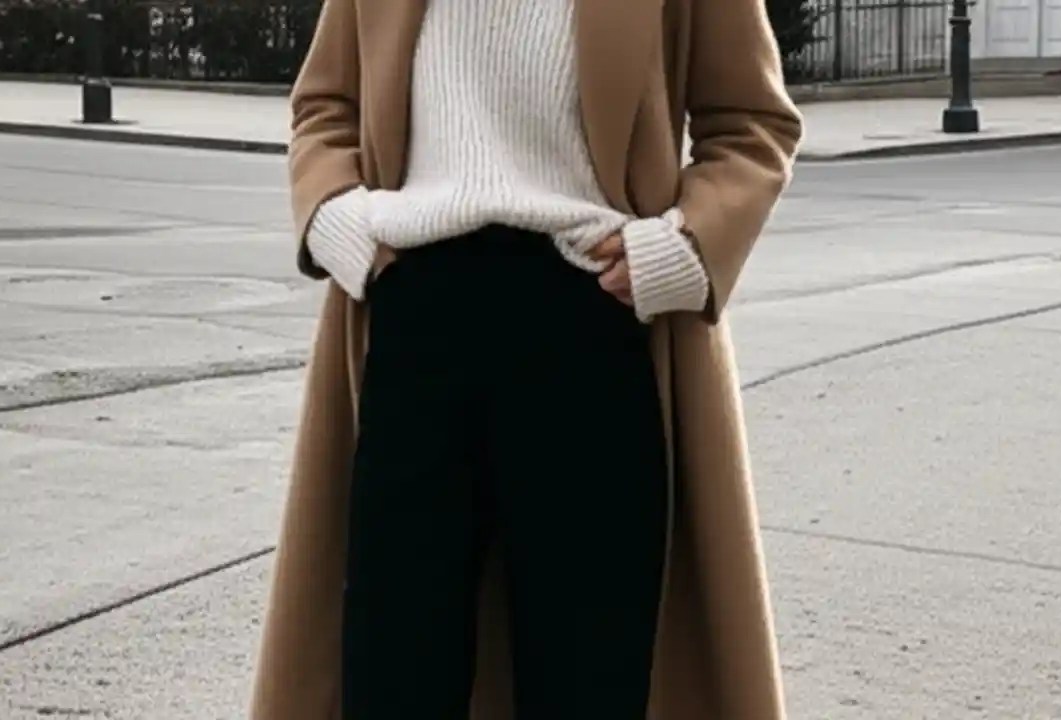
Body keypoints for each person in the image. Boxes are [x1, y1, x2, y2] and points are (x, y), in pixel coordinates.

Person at [251, 0, 803, 718]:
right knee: (393, 670)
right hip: (417, 310)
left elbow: (752, 123)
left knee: (590, 672)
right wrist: (333, 218)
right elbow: (325, 104)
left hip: (594, 316)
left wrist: (686, 246)